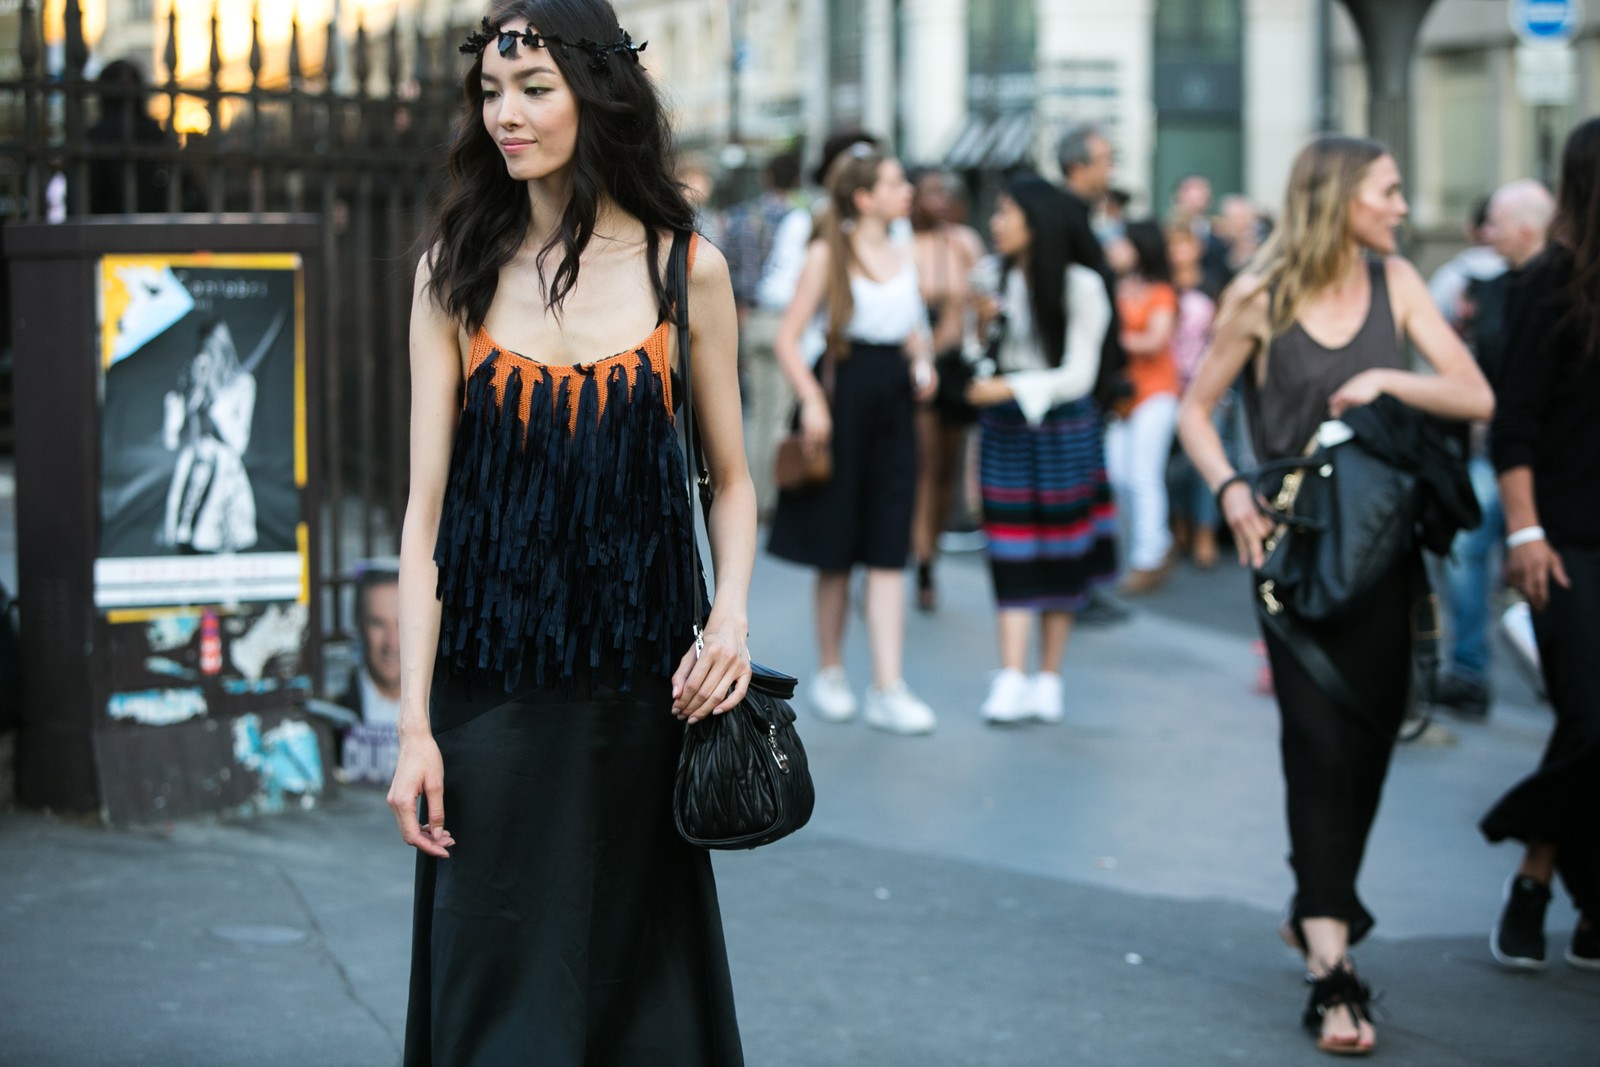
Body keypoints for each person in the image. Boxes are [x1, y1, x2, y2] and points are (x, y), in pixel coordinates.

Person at [387, 3, 754, 1062]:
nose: (506, 113)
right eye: (492, 92)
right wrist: (414, 725)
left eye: (533, 88)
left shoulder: (691, 271)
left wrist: (727, 618)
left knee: (639, 1002)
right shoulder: (451, 271)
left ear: (598, 95)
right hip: (488, 700)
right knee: (494, 996)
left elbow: (731, 481)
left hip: (644, 696)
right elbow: (422, 520)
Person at [1177, 135, 1493, 1055]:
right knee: (1315, 741)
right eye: (1388, 191)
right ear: (1341, 198)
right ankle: (1332, 965)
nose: (1401, 205)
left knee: (1371, 735)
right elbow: (1200, 407)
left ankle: (1321, 897)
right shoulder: (1261, 294)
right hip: (1293, 560)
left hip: (1386, 558)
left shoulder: (1397, 284)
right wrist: (1232, 487)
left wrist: (1390, 376)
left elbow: (1474, 395)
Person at [1481, 116, 1600, 976]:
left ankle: (1573, 889)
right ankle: (1532, 863)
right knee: (1591, 720)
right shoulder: (1548, 285)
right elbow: (1511, 423)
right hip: (1565, 539)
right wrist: (1523, 530)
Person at [767, 144, 939, 735]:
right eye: (895, 183)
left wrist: (924, 361)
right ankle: (832, 671)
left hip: (894, 395)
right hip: (843, 394)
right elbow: (790, 339)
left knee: (890, 539)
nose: (907, 191)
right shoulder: (826, 254)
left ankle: (888, 686)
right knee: (836, 543)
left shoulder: (905, 250)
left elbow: (913, 328)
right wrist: (814, 403)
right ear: (865, 197)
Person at [968, 174, 1116, 724]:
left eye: (1006, 212)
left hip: (1062, 426)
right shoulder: (990, 277)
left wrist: (1008, 387)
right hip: (1007, 428)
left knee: (1061, 550)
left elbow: (1080, 375)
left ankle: (1048, 678)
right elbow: (975, 359)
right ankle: (1011, 675)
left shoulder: (1082, 285)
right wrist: (979, 327)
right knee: (1010, 547)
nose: (996, 223)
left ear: (1037, 221)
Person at [1436, 179, 1555, 721]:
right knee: (1467, 550)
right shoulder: (1487, 289)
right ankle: (1469, 670)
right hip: (1493, 450)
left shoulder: (1556, 292)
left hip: (1536, 458)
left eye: (1498, 224)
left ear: (1528, 227)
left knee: (1531, 561)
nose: (1487, 233)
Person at [1055, 124, 1131, 626]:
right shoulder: (1065, 218)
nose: (1110, 170)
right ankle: (1072, 589)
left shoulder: (1083, 217)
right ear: (1078, 165)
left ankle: (1083, 585)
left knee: (1089, 490)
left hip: (1093, 378)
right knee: (1074, 491)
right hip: (1075, 381)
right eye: (1105, 160)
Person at [909, 168, 985, 613]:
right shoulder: (904, 244)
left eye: (945, 191)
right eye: (929, 191)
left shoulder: (965, 242)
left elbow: (984, 301)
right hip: (921, 366)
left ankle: (929, 554)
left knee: (946, 474)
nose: (938, 199)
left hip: (957, 365)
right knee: (925, 464)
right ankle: (920, 563)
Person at [724, 149, 804, 518]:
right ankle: (773, 497)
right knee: (781, 412)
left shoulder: (742, 217)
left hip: (750, 318)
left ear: (767, 177)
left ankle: (752, 491)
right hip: (788, 320)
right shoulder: (800, 219)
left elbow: (730, 269)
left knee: (756, 410)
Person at [1105, 220, 1180, 593]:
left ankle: (1149, 555)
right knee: (1118, 474)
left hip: (1156, 392)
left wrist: (1113, 340)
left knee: (1142, 474)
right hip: (1123, 397)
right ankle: (1153, 542)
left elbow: (1155, 340)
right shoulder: (1117, 288)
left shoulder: (1162, 291)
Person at [162, 319, 258, 554]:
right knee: (185, 550)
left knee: (220, 554)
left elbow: (238, 444)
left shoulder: (242, 385)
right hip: (191, 478)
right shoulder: (191, 386)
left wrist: (215, 398)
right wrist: (180, 403)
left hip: (224, 481)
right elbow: (171, 441)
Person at [1163, 223, 1221, 569]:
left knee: (1204, 461)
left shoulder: (1213, 284)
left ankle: (1205, 533)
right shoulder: (1161, 285)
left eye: (1185, 243)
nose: (1179, 251)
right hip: (1168, 387)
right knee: (1171, 466)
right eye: (1174, 244)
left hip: (1205, 386)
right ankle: (1178, 527)